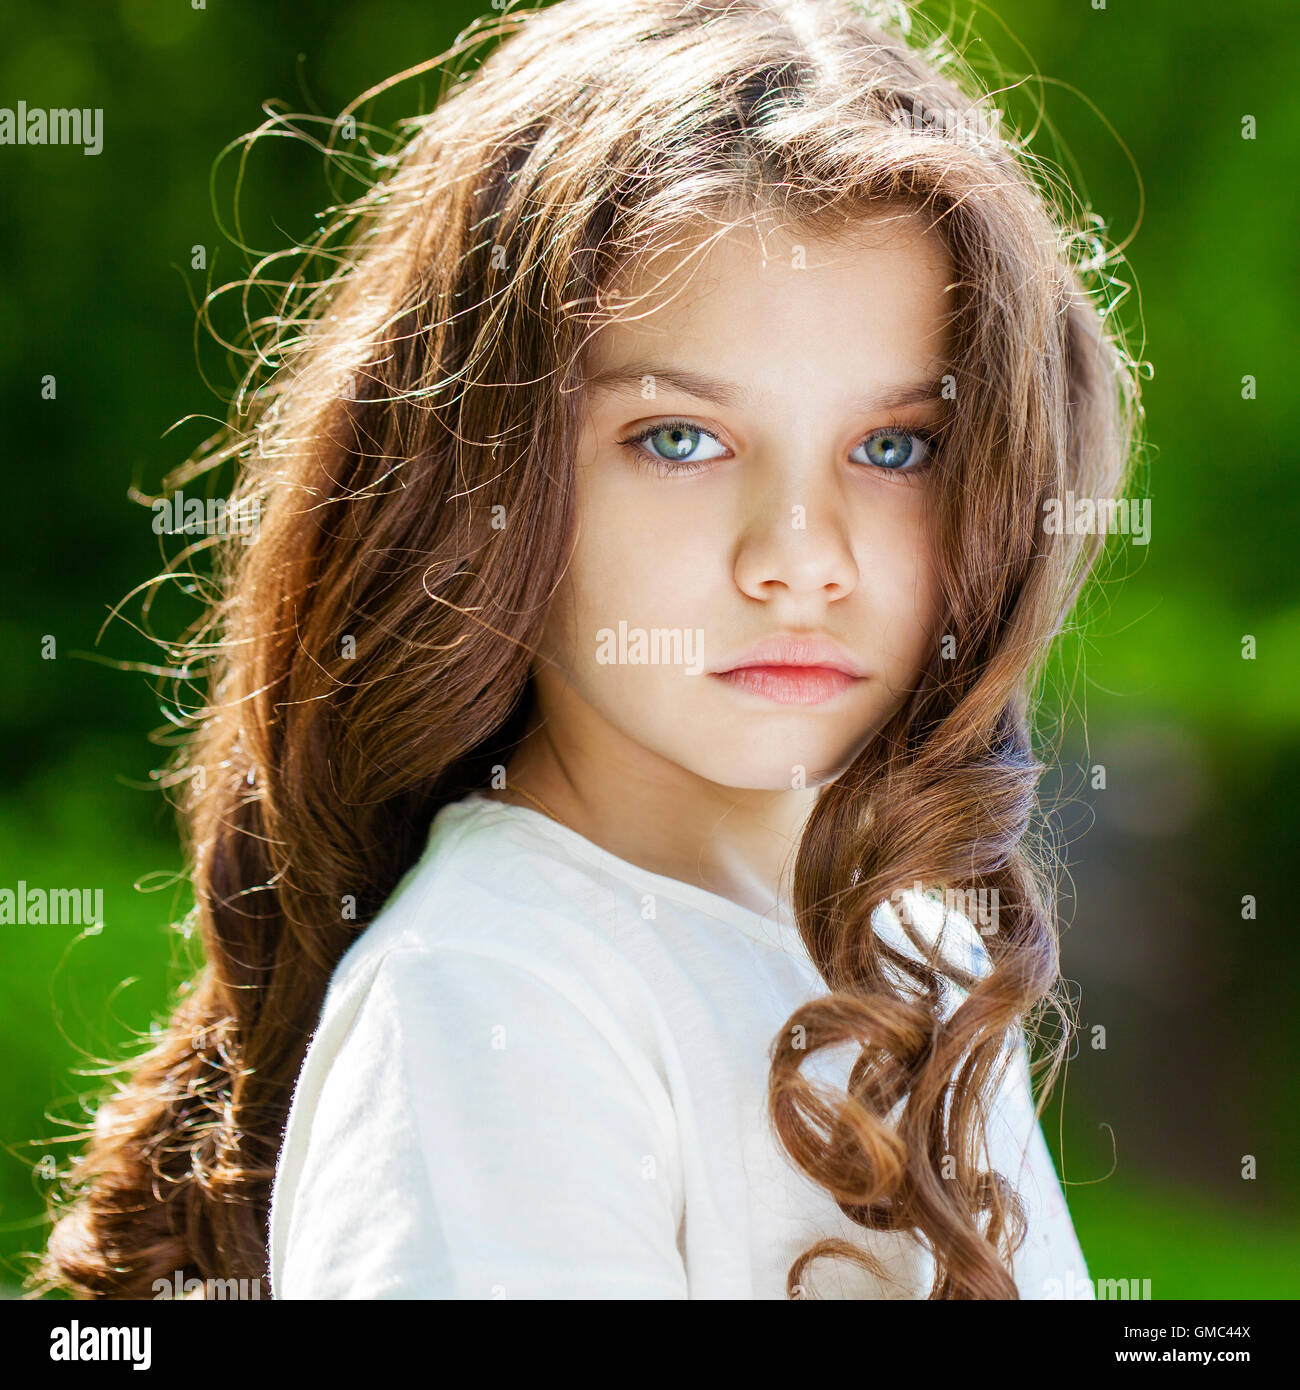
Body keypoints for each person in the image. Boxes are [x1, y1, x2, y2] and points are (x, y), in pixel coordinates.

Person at [36, 0, 1141, 1300]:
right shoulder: (494, 996)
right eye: (679, 437)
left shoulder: (919, 951)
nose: (799, 553)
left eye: (893, 446)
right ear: (484, 486)